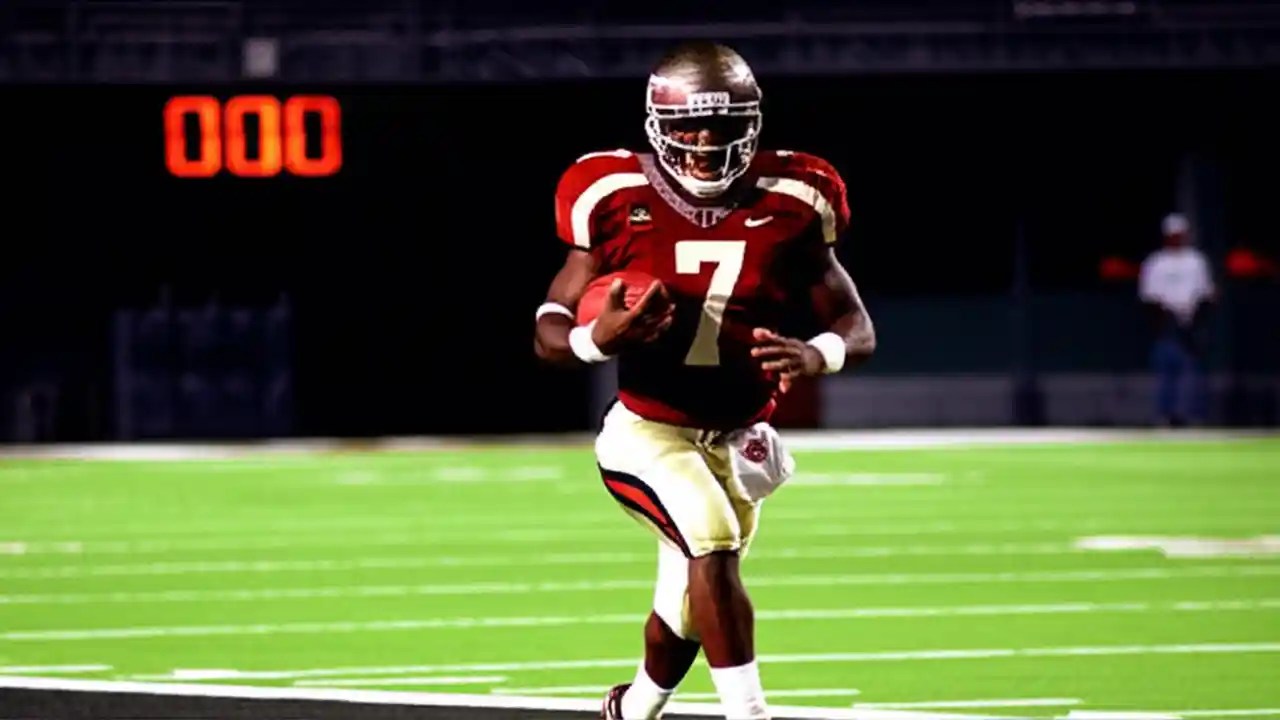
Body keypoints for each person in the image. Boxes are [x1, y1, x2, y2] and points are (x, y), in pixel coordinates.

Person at [533, 40, 876, 720]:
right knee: (712, 544)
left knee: (689, 603)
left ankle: (633, 710)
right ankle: (749, 714)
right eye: (688, 126)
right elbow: (547, 328)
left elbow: (854, 322)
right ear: (657, 124)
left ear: (751, 124)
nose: (702, 143)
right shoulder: (610, 193)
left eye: (720, 128)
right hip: (648, 431)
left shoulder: (797, 197)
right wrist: (596, 339)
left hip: (741, 434)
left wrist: (818, 355)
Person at [1138, 212, 1216, 426]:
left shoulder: (1196, 261)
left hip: (1191, 326)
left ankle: (1189, 418)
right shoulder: (1156, 262)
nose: (1177, 238)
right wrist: (1166, 320)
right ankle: (1164, 418)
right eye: (1173, 234)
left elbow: (1207, 293)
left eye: (1180, 234)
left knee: (1190, 375)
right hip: (1166, 328)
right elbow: (1149, 297)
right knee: (1165, 373)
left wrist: (1194, 323)